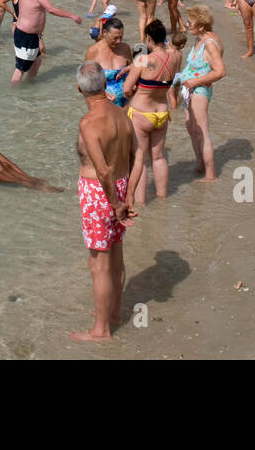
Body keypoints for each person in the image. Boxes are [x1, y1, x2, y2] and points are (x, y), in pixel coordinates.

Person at [72, 61, 143, 343]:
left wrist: (115, 203)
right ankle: (113, 313)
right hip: (121, 187)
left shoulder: (89, 122)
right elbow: (138, 156)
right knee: (116, 256)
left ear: (79, 89)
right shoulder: (122, 114)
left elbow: (102, 170)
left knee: (98, 265)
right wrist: (128, 195)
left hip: (98, 193)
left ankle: (101, 331)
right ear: (104, 84)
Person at [121, 18, 181, 204]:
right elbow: (173, 76)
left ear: (148, 38)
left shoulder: (143, 59)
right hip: (161, 113)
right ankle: (162, 199)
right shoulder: (175, 57)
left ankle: (140, 203)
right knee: (158, 157)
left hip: (141, 113)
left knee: (140, 160)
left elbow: (126, 88)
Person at [180, 6, 226, 182]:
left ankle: (210, 175)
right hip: (189, 89)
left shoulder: (209, 42)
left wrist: (195, 82)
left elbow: (220, 71)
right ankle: (199, 164)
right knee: (191, 128)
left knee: (202, 132)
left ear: (201, 26)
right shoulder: (199, 39)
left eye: (190, 22)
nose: (187, 24)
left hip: (199, 90)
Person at [11, 0, 82, 82]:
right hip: (26, 36)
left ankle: (29, 85)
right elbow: (51, 9)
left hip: (27, 35)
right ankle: (13, 93)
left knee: (37, 61)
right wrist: (71, 16)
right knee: (20, 69)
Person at [85, 16, 133, 108]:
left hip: (126, 104)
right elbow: (87, 82)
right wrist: (103, 93)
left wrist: (132, 84)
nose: (118, 41)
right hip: (103, 104)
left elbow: (132, 71)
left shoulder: (125, 48)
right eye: (115, 38)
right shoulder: (93, 51)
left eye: (121, 37)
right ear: (104, 33)